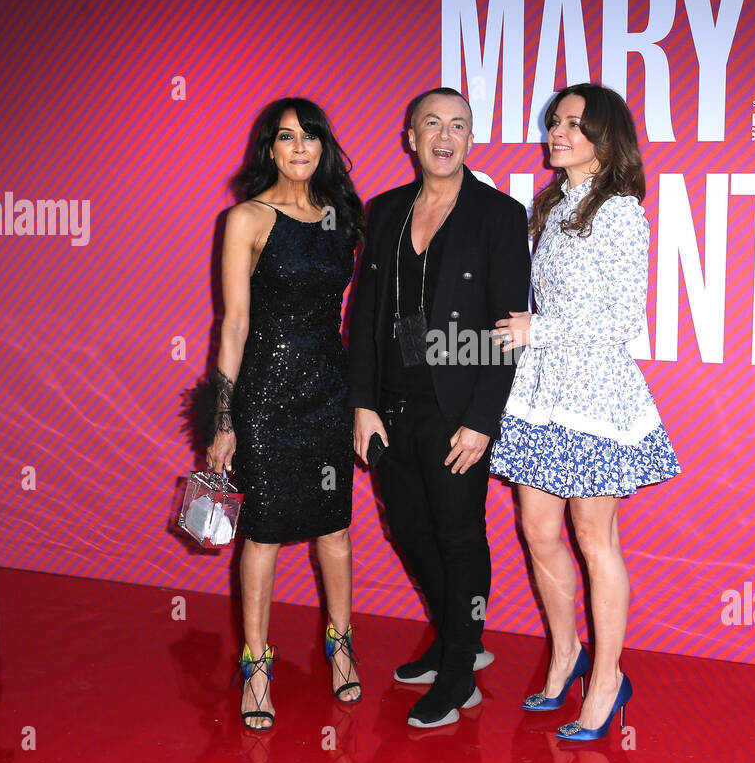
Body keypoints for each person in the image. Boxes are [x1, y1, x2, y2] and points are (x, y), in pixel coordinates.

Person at [489, 83, 681, 740]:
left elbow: (624, 320)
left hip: (593, 396)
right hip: (544, 392)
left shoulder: (621, 212)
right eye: (555, 122)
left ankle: (607, 679)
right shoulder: (553, 204)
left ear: (606, 136)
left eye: (574, 123)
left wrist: (536, 330)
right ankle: (567, 652)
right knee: (538, 529)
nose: (557, 132)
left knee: (595, 540)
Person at [347, 87, 531, 728]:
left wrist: (483, 420)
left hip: (458, 412)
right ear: (410, 136)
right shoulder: (386, 210)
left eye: (458, 125)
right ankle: (463, 637)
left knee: (458, 536)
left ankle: (458, 674)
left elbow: (509, 328)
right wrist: (363, 402)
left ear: (471, 138)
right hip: (392, 408)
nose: (445, 136)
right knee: (409, 529)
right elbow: (365, 316)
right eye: (432, 124)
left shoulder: (499, 216)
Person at [206, 98, 364, 730]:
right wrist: (223, 419)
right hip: (267, 397)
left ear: (324, 147)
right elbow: (235, 323)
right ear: (268, 148)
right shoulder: (246, 217)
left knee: (335, 530)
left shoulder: (341, 219)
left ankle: (342, 647)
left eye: (310, 138)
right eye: (286, 138)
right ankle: (257, 664)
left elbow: (356, 315)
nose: (300, 148)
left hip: (329, 391)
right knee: (264, 533)